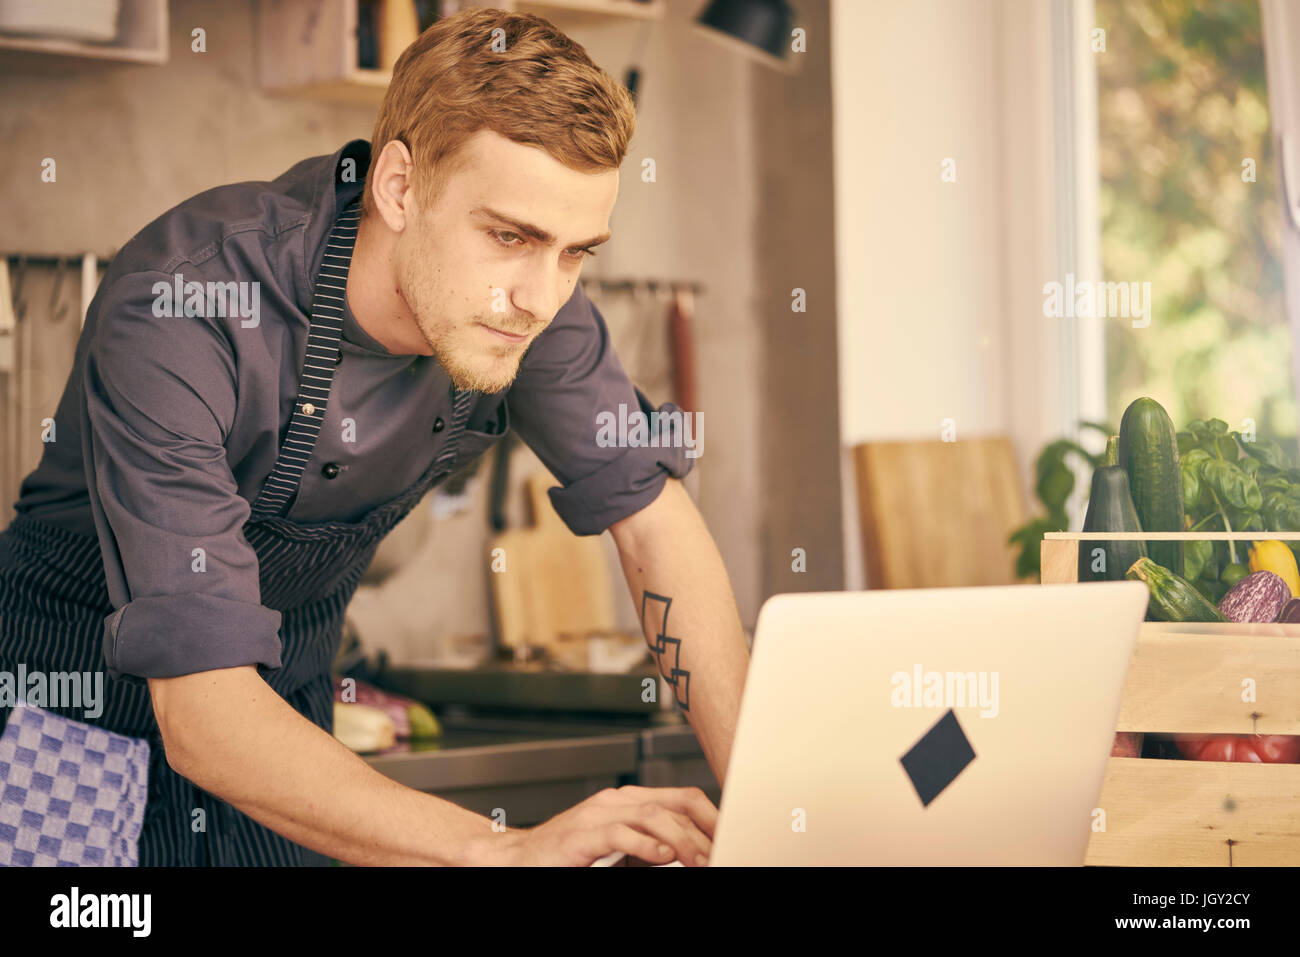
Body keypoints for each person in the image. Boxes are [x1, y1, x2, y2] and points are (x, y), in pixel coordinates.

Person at [0, 7, 750, 866]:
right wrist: (501, 850)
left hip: (282, 740)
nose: (542, 296)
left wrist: (772, 803)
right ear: (398, 187)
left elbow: (654, 517)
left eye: (577, 251)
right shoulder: (186, 306)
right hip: (60, 727)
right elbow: (203, 716)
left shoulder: (525, 309)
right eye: (510, 235)